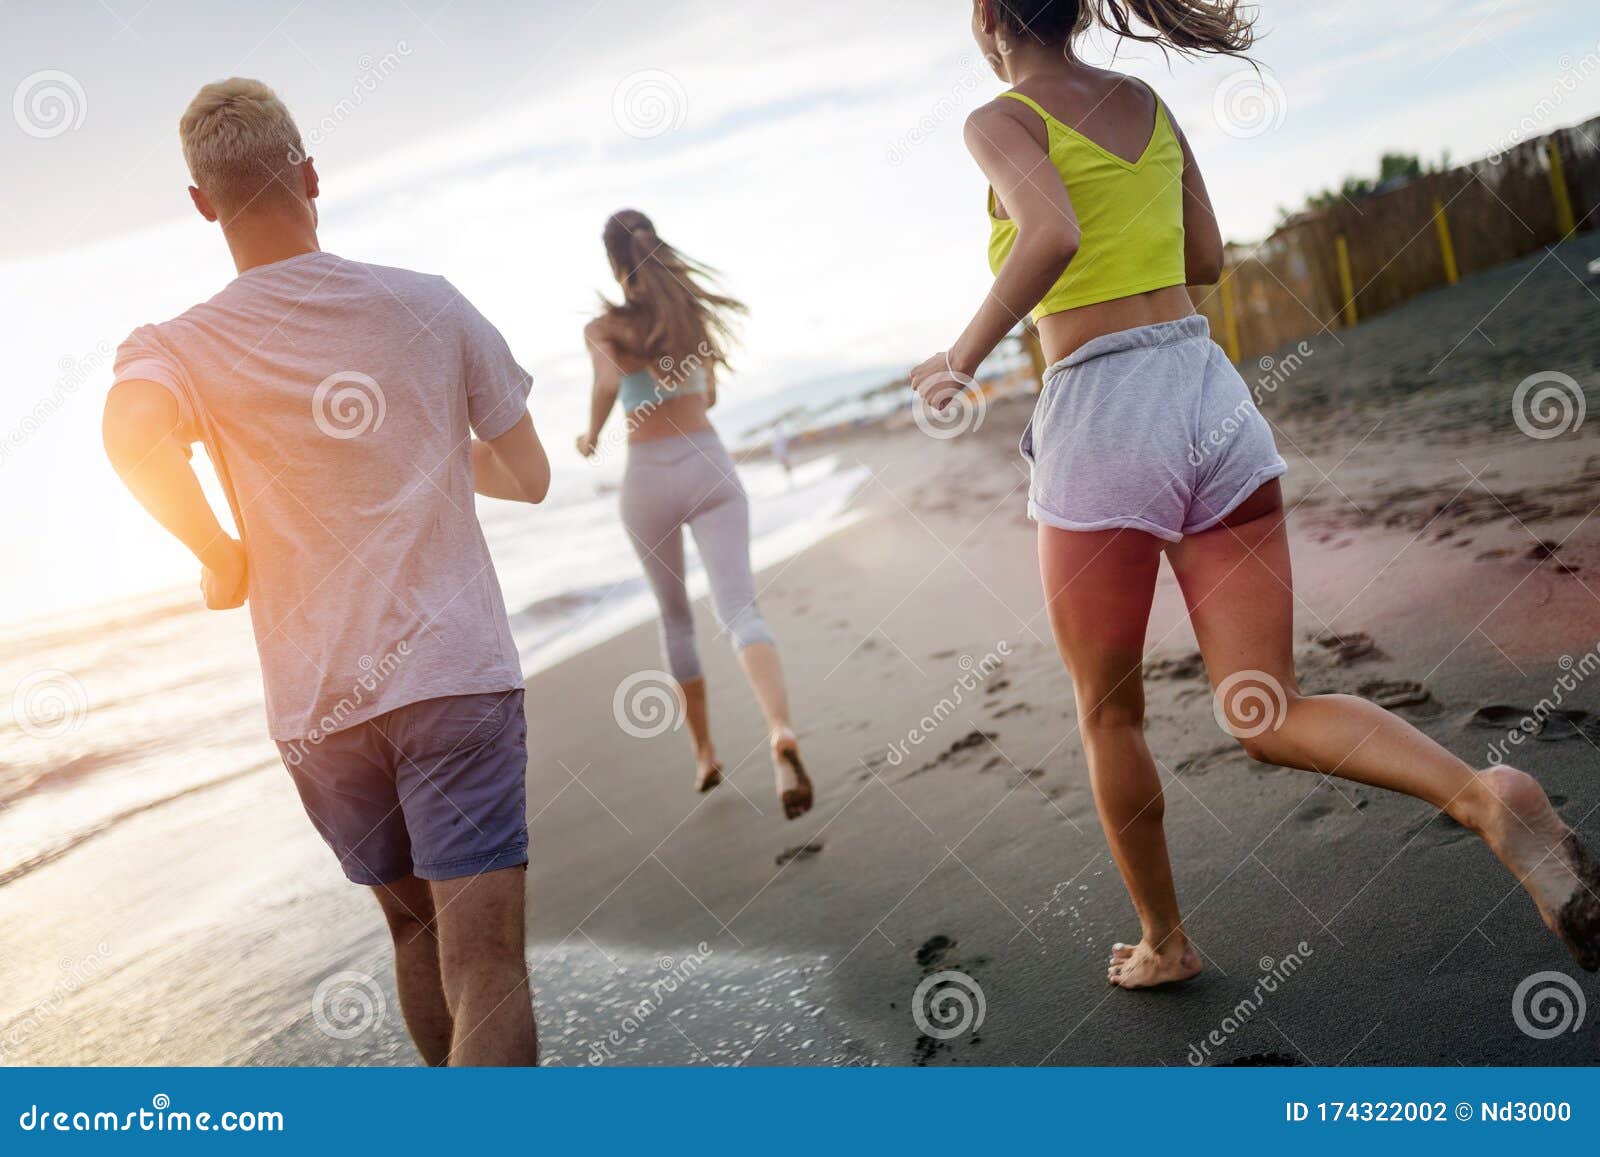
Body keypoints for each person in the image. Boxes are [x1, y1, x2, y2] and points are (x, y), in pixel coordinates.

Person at [911, 0, 1599, 988]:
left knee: (1108, 712)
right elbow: (1205, 259)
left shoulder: (999, 118)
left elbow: (1050, 233)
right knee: (1266, 704)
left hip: (1105, 417)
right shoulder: (1143, 101)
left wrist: (958, 358)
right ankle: (1485, 794)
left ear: (987, 15)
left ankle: (1164, 941)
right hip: (1208, 393)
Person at [102, 79, 550, 1062]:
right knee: (487, 963)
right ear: (309, 173)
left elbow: (130, 434)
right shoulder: (428, 304)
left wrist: (219, 552)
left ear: (202, 203)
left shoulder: (178, 345)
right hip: (451, 673)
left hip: (318, 710)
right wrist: (430, 450)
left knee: (416, 935)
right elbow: (529, 474)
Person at [577, 210, 813, 819]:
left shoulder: (606, 327)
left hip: (647, 477)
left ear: (613, 263)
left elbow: (607, 381)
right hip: (708, 464)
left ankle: (705, 753)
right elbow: (705, 395)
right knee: (740, 610)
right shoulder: (691, 317)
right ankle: (780, 729)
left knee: (676, 620)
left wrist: (590, 432)